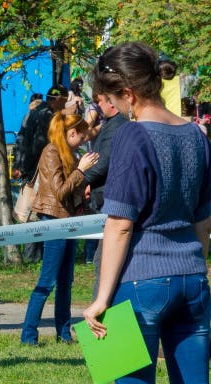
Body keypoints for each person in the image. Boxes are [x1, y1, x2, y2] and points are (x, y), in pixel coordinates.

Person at [83, 42, 211, 384]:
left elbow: (119, 224)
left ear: (129, 92)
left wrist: (99, 299)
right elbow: (204, 219)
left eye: (110, 98)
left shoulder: (134, 137)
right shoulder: (197, 136)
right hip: (192, 278)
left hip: (138, 281)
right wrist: (195, 265)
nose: (107, 107)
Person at [19, 113, 98, 345]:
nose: (84, 139)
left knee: (66, 281)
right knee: (47, 281)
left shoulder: (68, 154)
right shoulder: (51, 152)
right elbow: (59, 191)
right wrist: (81, 171)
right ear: (70, 133)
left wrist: (82, 190)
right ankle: (29, 335)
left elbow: (69, 192)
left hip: (69, 221)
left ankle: (64, 334)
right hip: (53, 221)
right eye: (82, 135)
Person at [12, 84, 68, 263]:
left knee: (32, 212)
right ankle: (33, 256)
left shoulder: (35, 112)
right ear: (58, 99)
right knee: (34, 212)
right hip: (38, 171)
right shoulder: (46, 116)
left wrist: (18, 164)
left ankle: (33, 255)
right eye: (65, 101)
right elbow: (38, 146)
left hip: (29, 168)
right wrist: (29, 170)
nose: (65, 106)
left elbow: (21, 139)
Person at [81, 92, 127, 264]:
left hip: (105, 193)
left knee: (104, 257)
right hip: (100, 191)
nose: (98, 105)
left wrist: (83, 180)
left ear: (112, 103)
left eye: (100, 101)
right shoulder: (110, 124)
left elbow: (103, 162)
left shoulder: (116, 126)